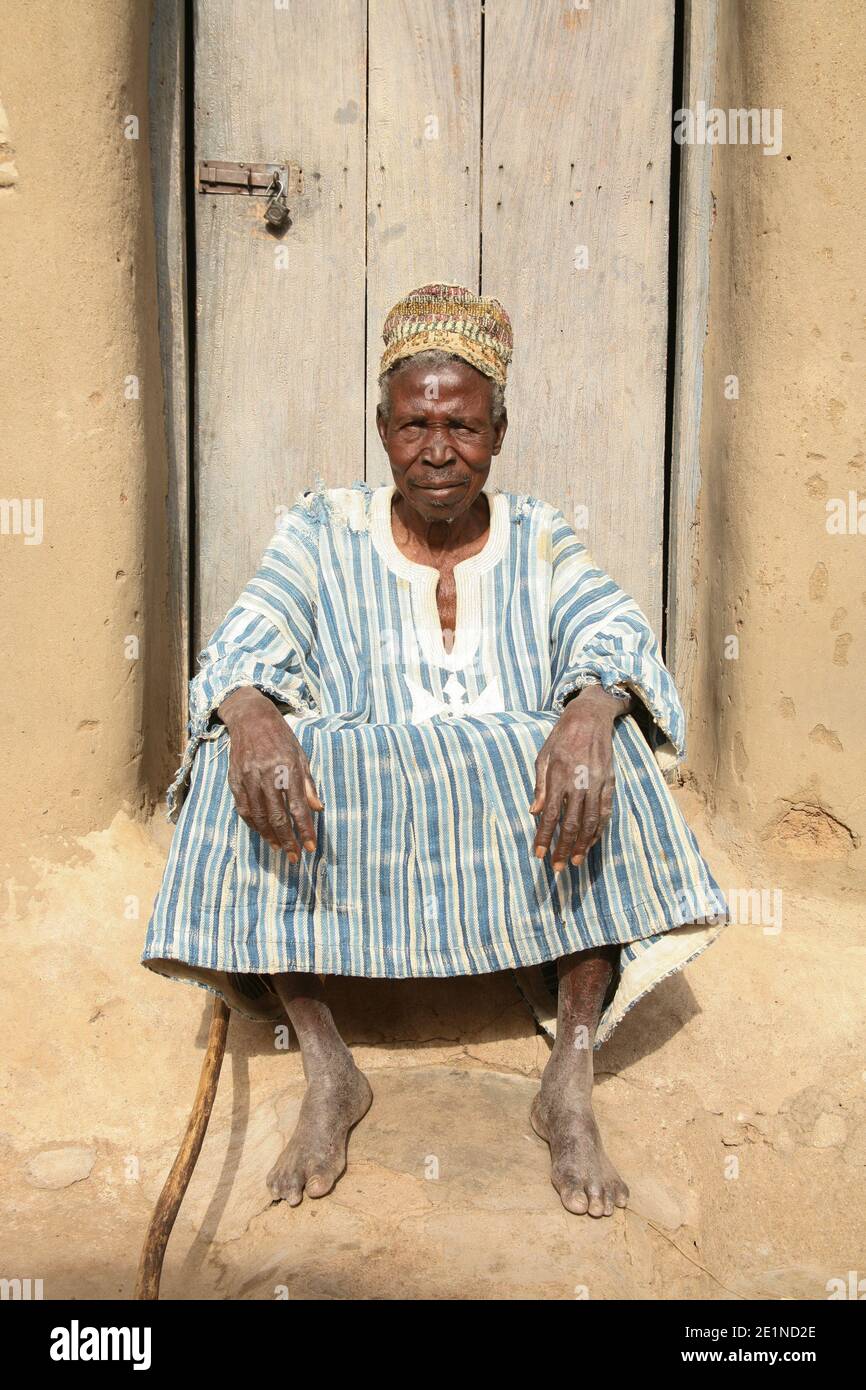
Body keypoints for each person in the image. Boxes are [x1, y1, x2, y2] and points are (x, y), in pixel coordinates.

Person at [143, 283, 727, 1218]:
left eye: (463, 425)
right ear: (382, 429)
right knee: (230, 760)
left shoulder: (539, 533)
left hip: (512, 804)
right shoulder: (322, 526)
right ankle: (329, 1068)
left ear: (498, 431)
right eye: (416, 424)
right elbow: (240, 644)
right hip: (363, 804)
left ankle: (568, 1080)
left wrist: (593, 705)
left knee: (613, 757)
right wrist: (250, 709)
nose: (438, 450)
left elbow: (615, 634)